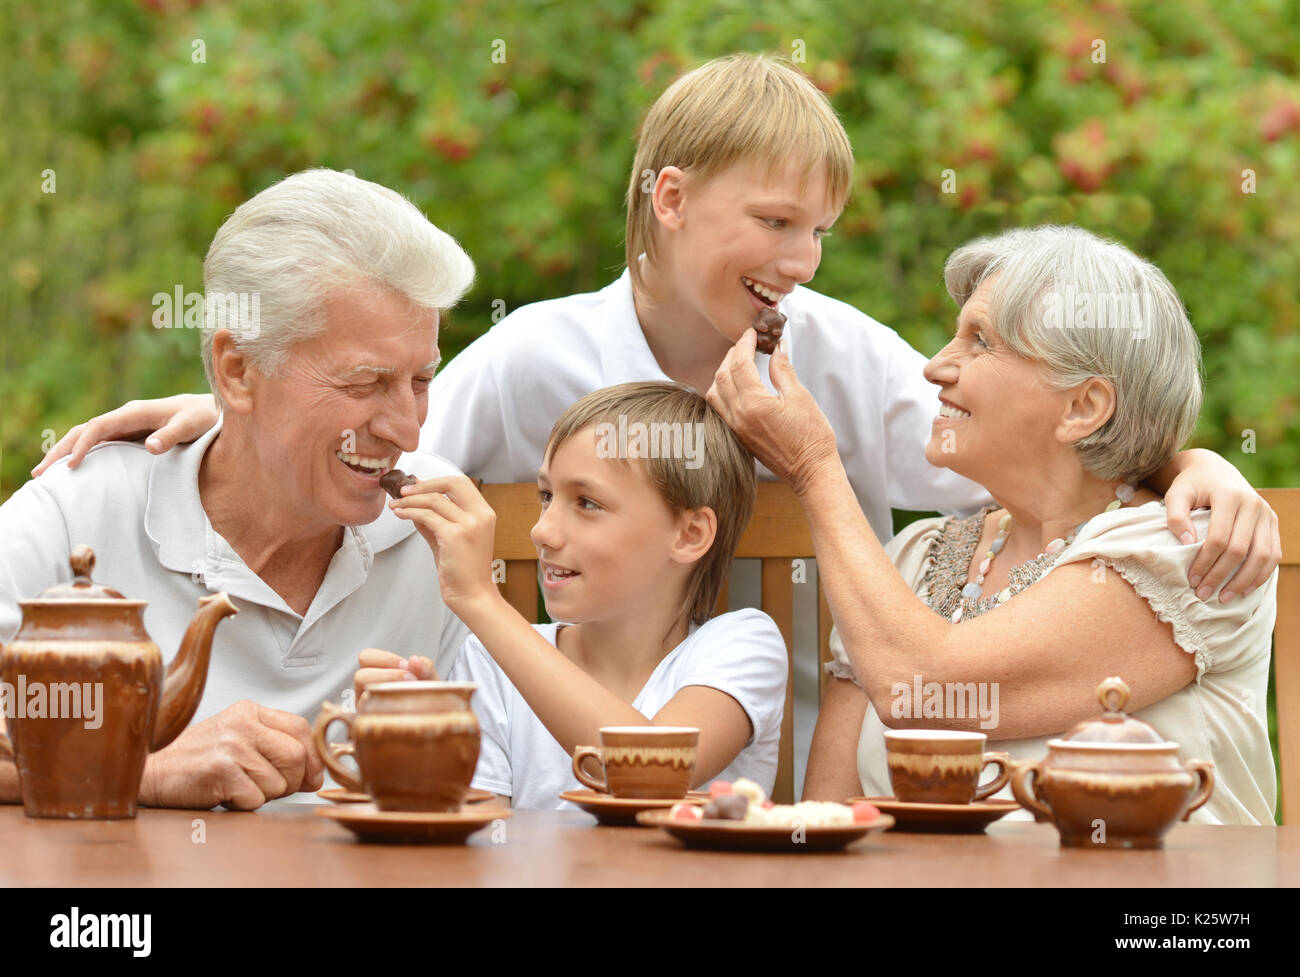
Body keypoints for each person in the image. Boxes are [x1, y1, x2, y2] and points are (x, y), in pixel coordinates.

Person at [30, 54, 1281, 791]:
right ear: (670, 199)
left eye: (820, 231)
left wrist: (1188, 459)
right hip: (635, 768)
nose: (803, 258)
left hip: (751, 759)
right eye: (776, 222)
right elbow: (392, 448)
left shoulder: (835, 349)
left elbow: (1031, 441)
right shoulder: (536, 356)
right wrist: (233, 411)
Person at [708, 225, 1277, 824]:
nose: (934, 368)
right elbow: (831, 819)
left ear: (1082, 408)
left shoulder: (1189, 550)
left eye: (979, 341)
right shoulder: (912, 560)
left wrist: (814, 466)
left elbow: (923, 690)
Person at [0, 169, 476, 810]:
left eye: (421, 380)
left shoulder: (438, 536)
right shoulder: (78, 511)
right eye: (364, 385)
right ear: (238, 370)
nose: (408, 431)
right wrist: (148, 769)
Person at [353, 383, 788, 808]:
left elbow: (655, 776)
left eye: (587, 503)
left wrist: (481, 600)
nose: (541, 531)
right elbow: (479, 846)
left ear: (689, 534)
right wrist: (427, 751)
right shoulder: (491, 662)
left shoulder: (741, 646)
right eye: (546, 496)